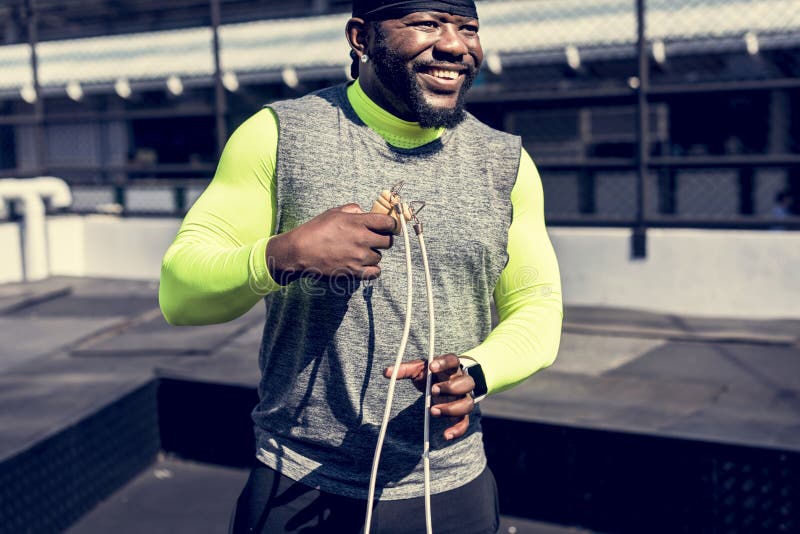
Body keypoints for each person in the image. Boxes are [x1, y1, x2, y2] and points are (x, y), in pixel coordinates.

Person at [159, 0, 563, 532]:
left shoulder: (504, 160)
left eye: (468, 28)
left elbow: (537, 304)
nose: (455, 45)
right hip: (297, 482)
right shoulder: (280, 135)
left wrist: (476, 370)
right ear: (361, 37)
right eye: (426, 24)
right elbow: (180, 293)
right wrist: (286, 255)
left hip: (451, 485)